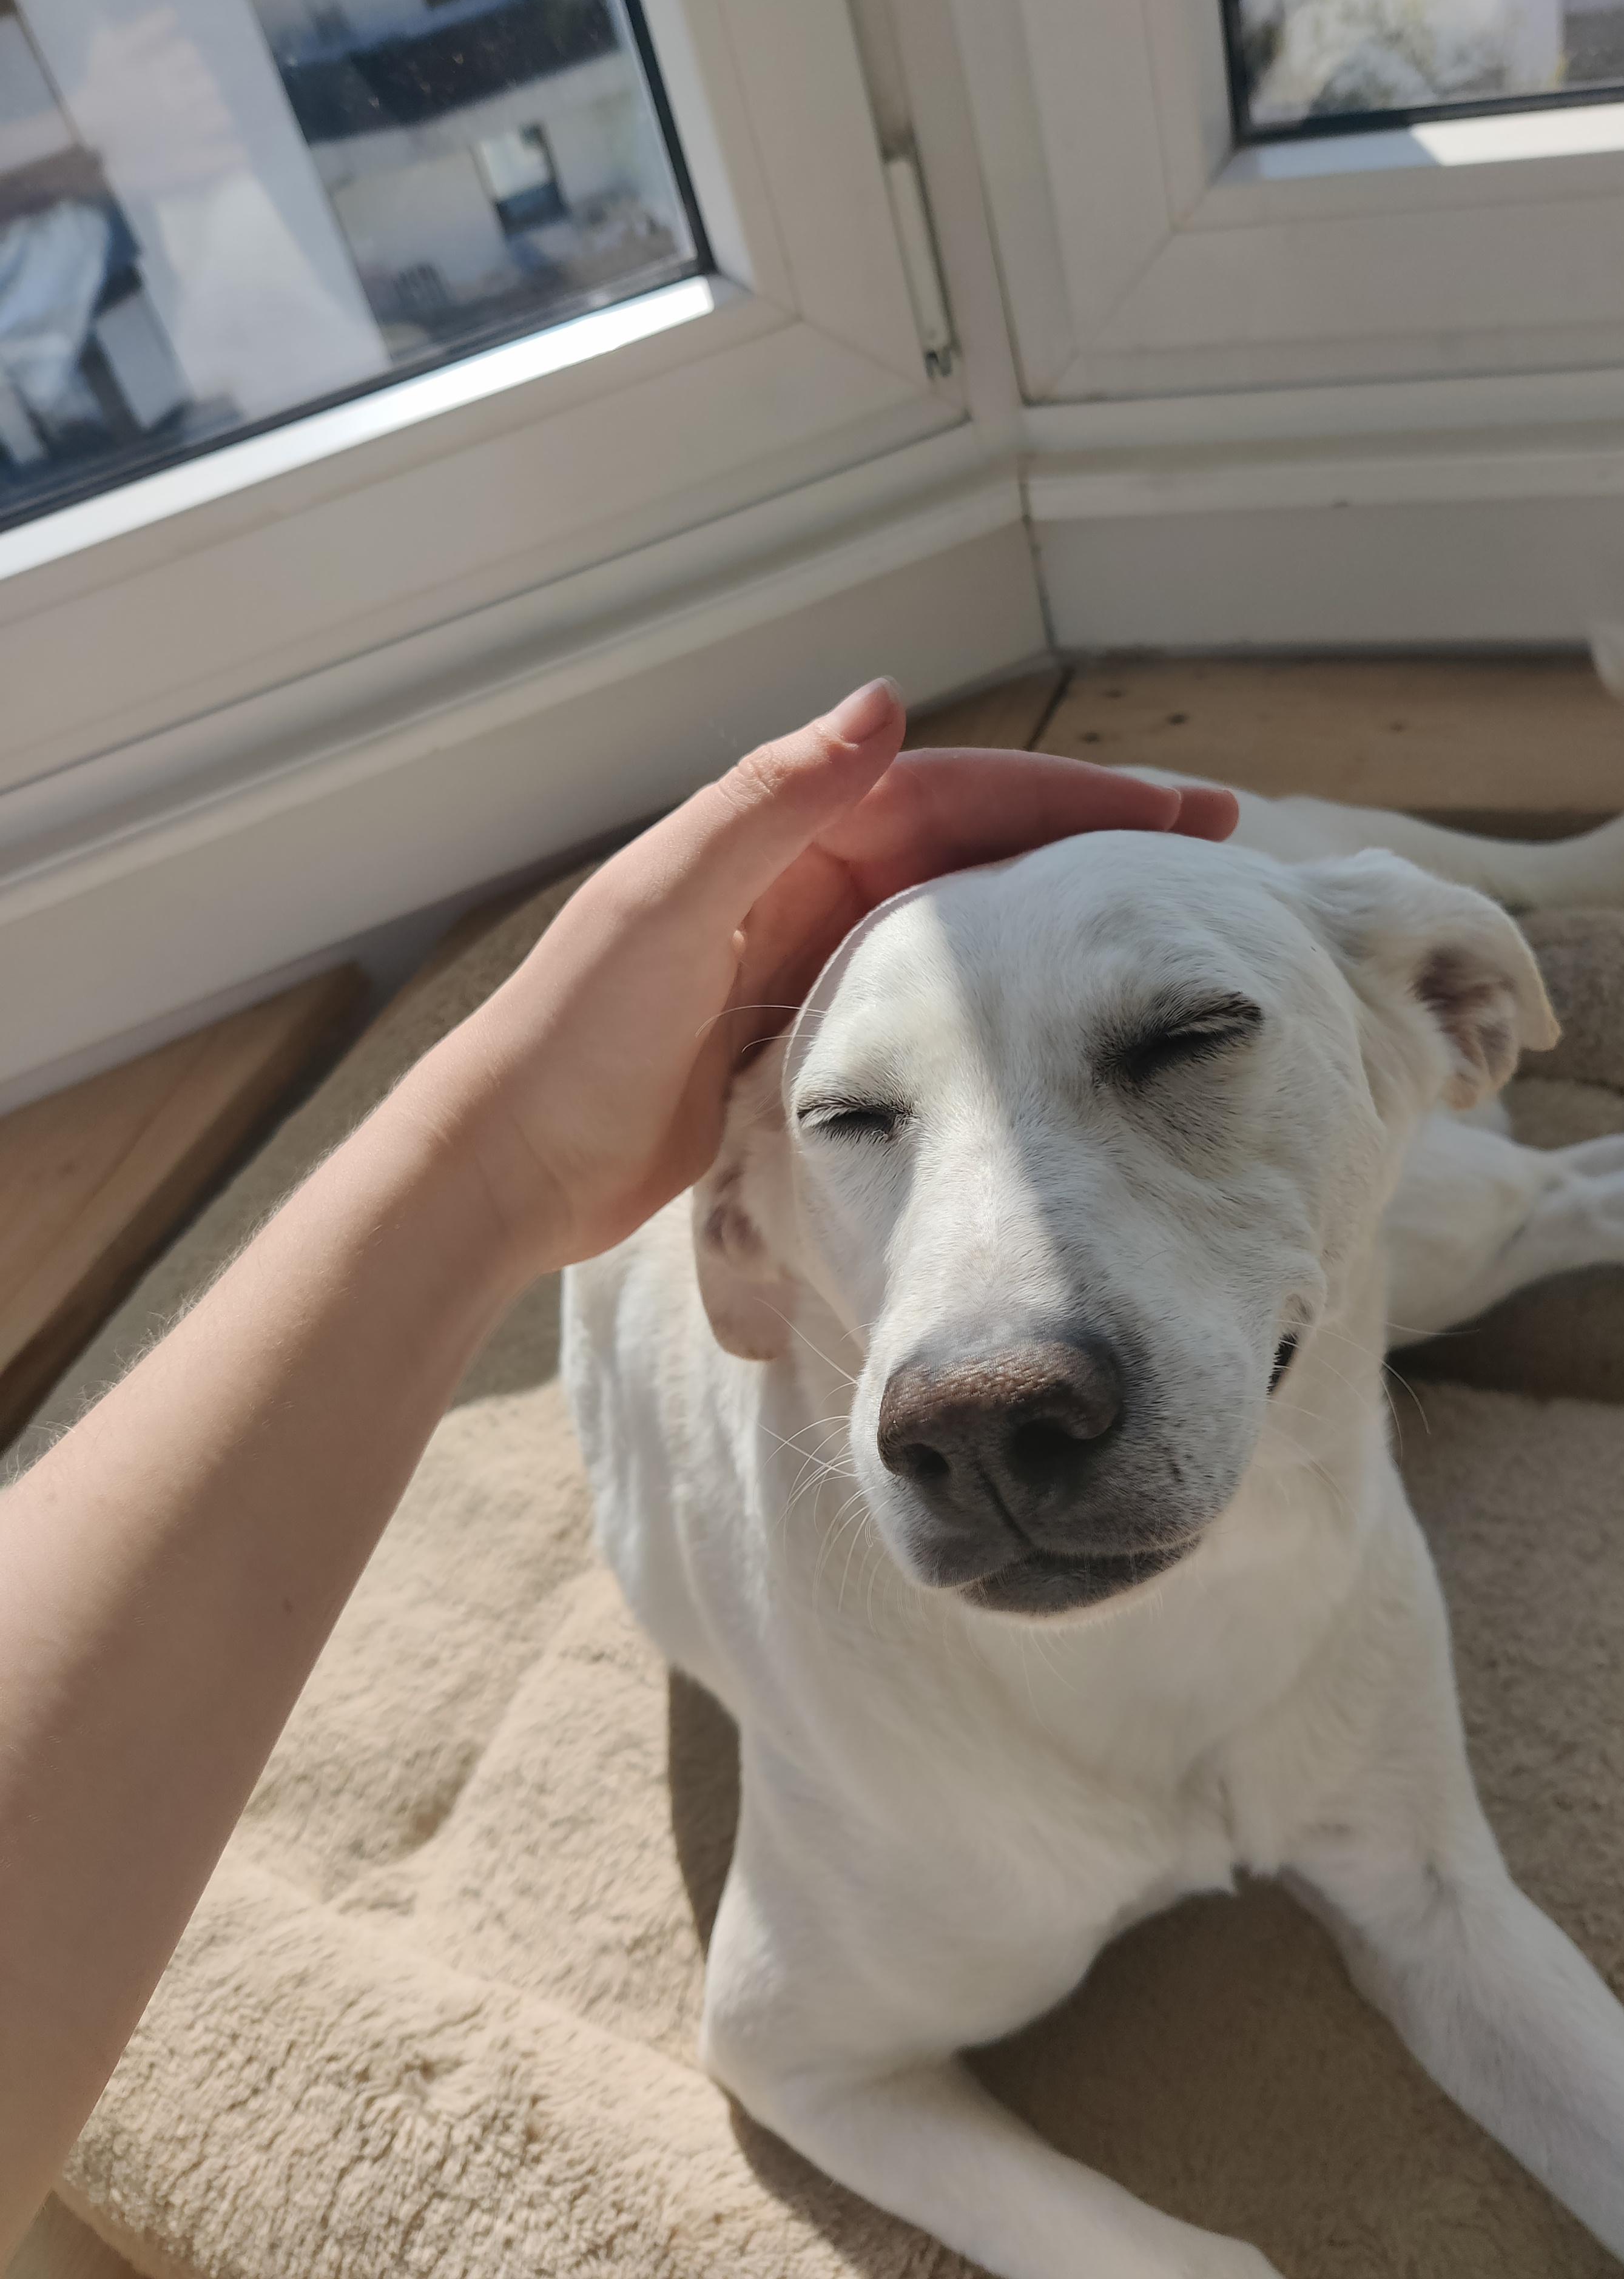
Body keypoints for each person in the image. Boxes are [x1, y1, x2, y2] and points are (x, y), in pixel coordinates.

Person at [0, 677, 1238, 2247]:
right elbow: (790, 2043)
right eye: (850, 1118)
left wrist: (506, 1145)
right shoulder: (765, 1229)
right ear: (742, 1235)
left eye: (1184, 1042)